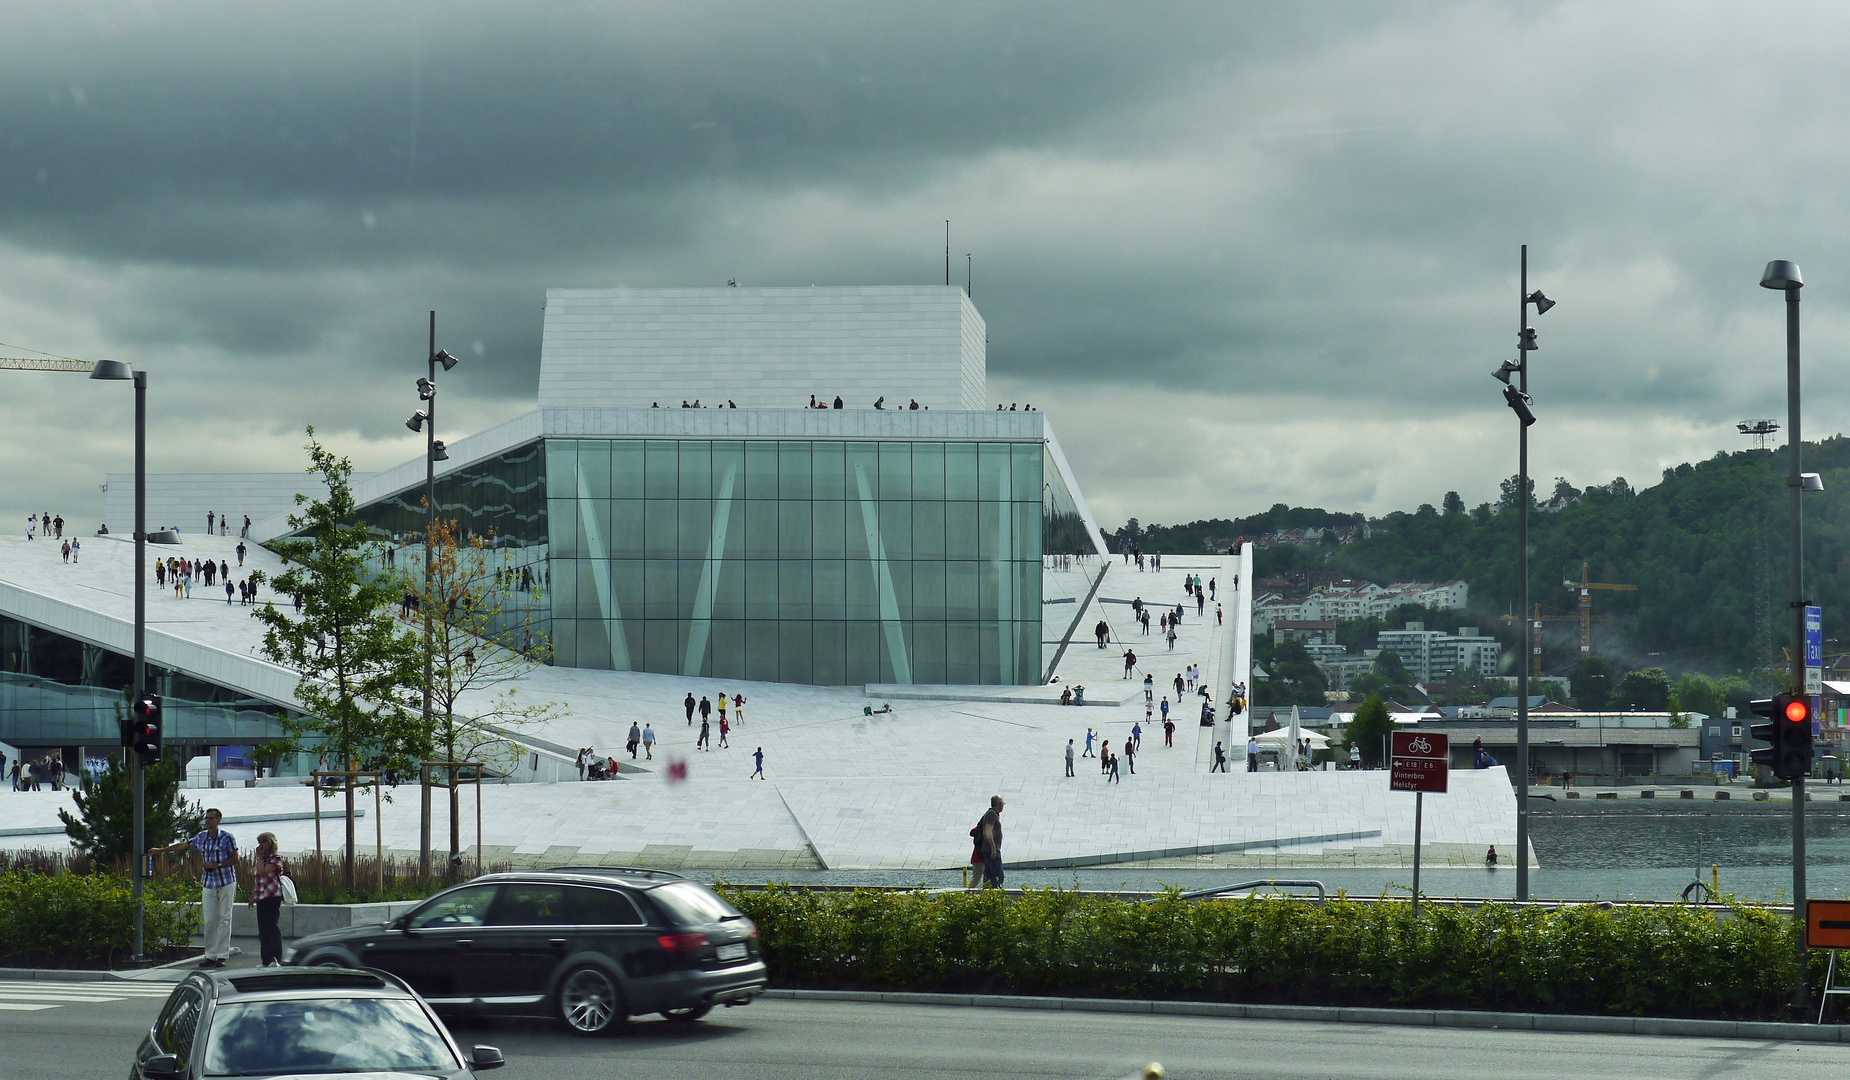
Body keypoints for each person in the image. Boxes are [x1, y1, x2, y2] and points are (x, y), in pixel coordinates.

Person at [152, 808, 238, 967]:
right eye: (206, 818)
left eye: (211, 818)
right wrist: (161, 850)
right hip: (209, 883)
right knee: (210, 919)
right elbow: (183, 845)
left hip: (226, 881)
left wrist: (217, 864)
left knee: (224, 918)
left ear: (218, 820)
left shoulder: (227, 837)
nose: (207, 821)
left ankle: (222, 955)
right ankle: (210, 955)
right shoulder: (201, 837)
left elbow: (235, 859)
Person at [248, 831, 289, 966]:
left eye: (262, 843)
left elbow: (263, 871)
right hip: (261, 896)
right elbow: (258, 878)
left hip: (272, 896)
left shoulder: (276, 859)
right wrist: (253, 896)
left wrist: (259, 858)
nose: (260, 847)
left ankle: (276, 958)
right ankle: (266, 960)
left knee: (272, 928)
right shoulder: (262, 860)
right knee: (263, 930)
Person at [970, 796, 1005, 887]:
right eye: (1003, 804)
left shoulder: (991, 814)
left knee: (990, 876)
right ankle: (993, 896)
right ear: (1000, 804)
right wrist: (993, 848)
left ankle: (988, 896)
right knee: (996, 876)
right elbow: (988, 831)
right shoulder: (992, 814)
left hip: (990, 850)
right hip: (991, 850)